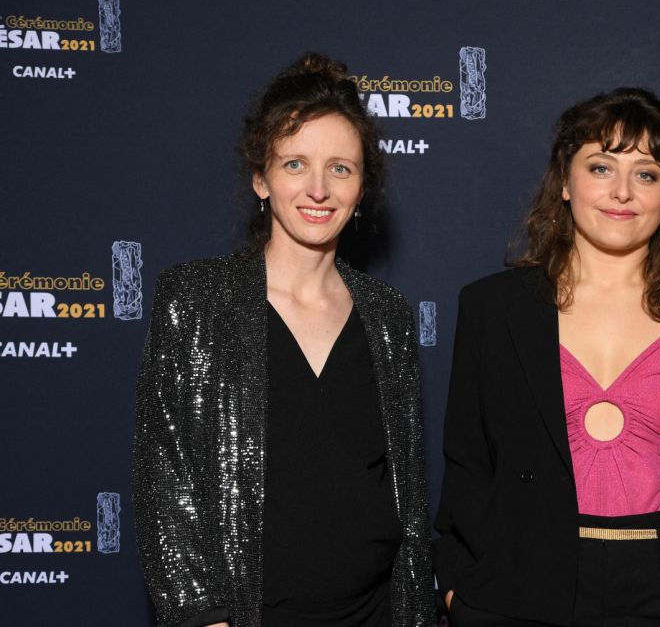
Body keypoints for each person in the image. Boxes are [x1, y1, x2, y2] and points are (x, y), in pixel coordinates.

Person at [433, 88, 660, 627]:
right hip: (521, 591)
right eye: (600, 167)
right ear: (565, 183)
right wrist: (463, 593)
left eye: (646, 174)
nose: (622, 192)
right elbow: (467, 467)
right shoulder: (491, 308)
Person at [133, 53, 435, 627]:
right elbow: (167, 480)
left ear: (362, 185)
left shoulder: (387, 315)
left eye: (340, 169)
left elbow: (409, 500)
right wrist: (206, 618)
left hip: (375, 612)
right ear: (260, 178)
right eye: (295, 164)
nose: (318, 189)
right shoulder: (199, 300)